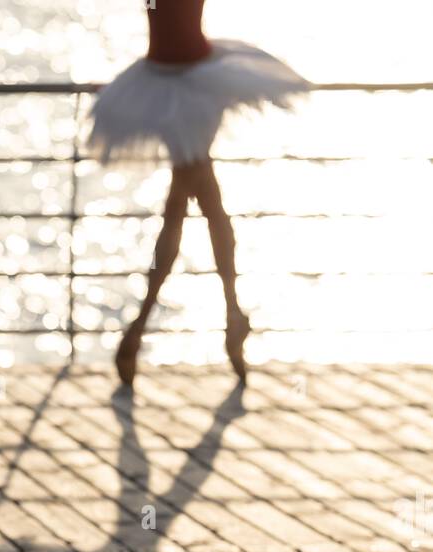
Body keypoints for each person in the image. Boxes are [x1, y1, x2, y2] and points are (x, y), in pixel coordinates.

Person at [88, 0, 309, 384]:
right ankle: (225, 319)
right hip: (184, 85)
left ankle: (154, 330)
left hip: (185, 79)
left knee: (195, 208)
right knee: (200, 208)